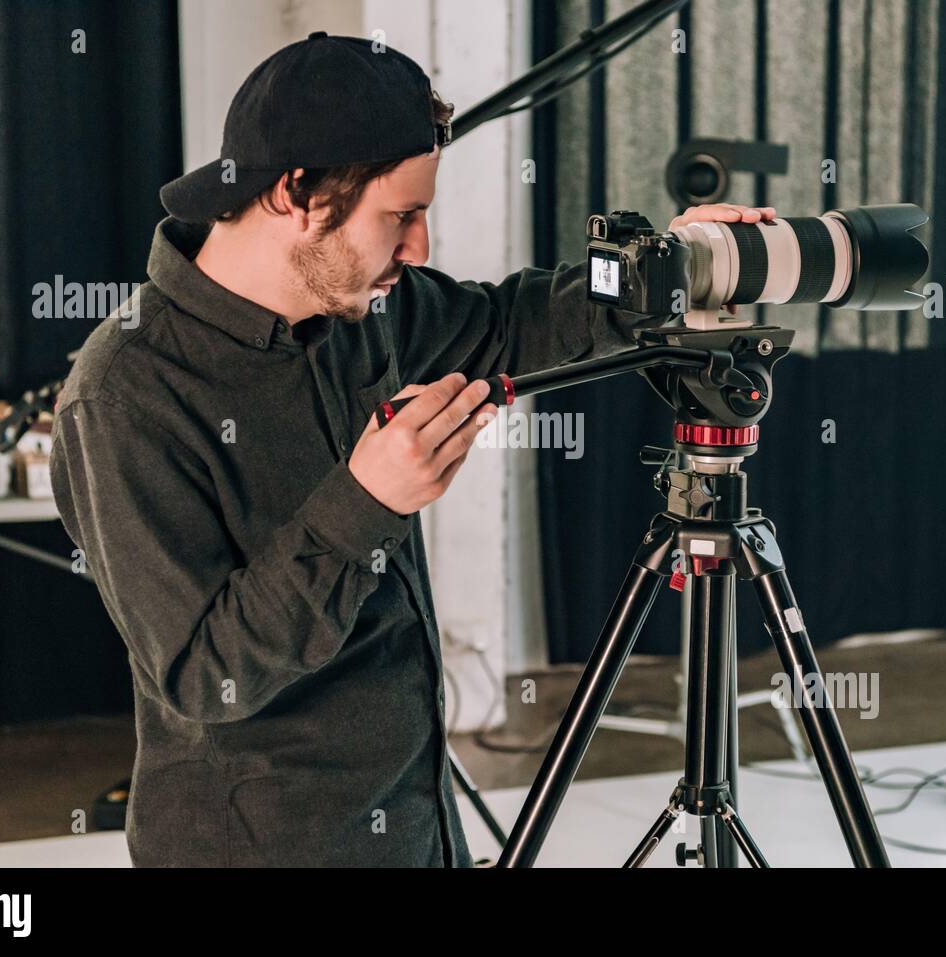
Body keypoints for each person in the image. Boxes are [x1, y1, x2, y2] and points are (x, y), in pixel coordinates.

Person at [51, 31, 774, 867]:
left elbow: (507, 325)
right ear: (296, 193)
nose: (420, 247)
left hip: (420, 824)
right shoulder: (123, 392)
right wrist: (366, 502)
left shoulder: (363, 307)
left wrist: (664, 271)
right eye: (400, 216)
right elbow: (206, 676)